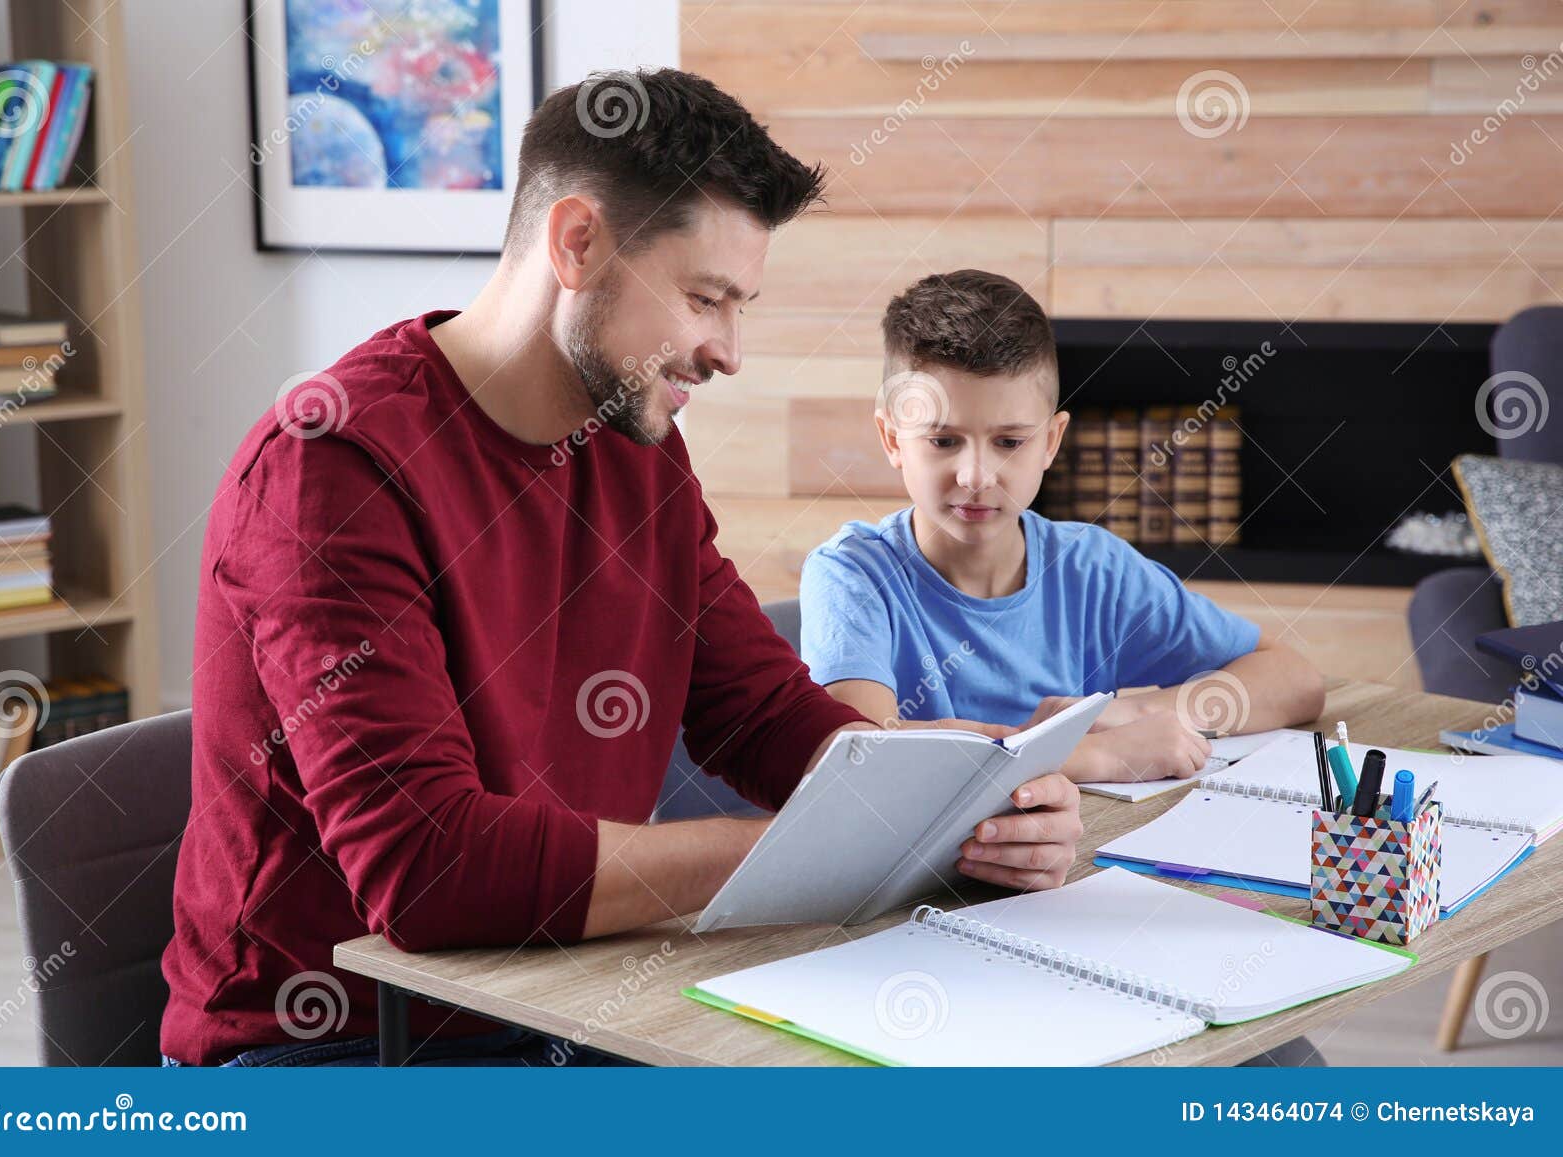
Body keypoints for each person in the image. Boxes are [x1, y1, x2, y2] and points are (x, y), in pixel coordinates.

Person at [159, 73, 1084, 1068]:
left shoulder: (635, 446)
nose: (727, 352)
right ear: (577, 243)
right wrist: (811, 854)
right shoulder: (330, 468)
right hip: (334, 1050)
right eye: (703, 299)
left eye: (740, 306)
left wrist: (959, 800)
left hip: (566, 1000)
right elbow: (426, 869)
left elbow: (760, 712)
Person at [799, 269, 1327, 803]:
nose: (977, 476)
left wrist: (1136, 712)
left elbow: (1295, 680)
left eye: (1009, 441)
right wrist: (1097, 755)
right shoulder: (852, 573)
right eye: (943, 440)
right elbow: (864, 759)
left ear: (1051, 442)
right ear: (893, 438)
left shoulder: (1091, 567)